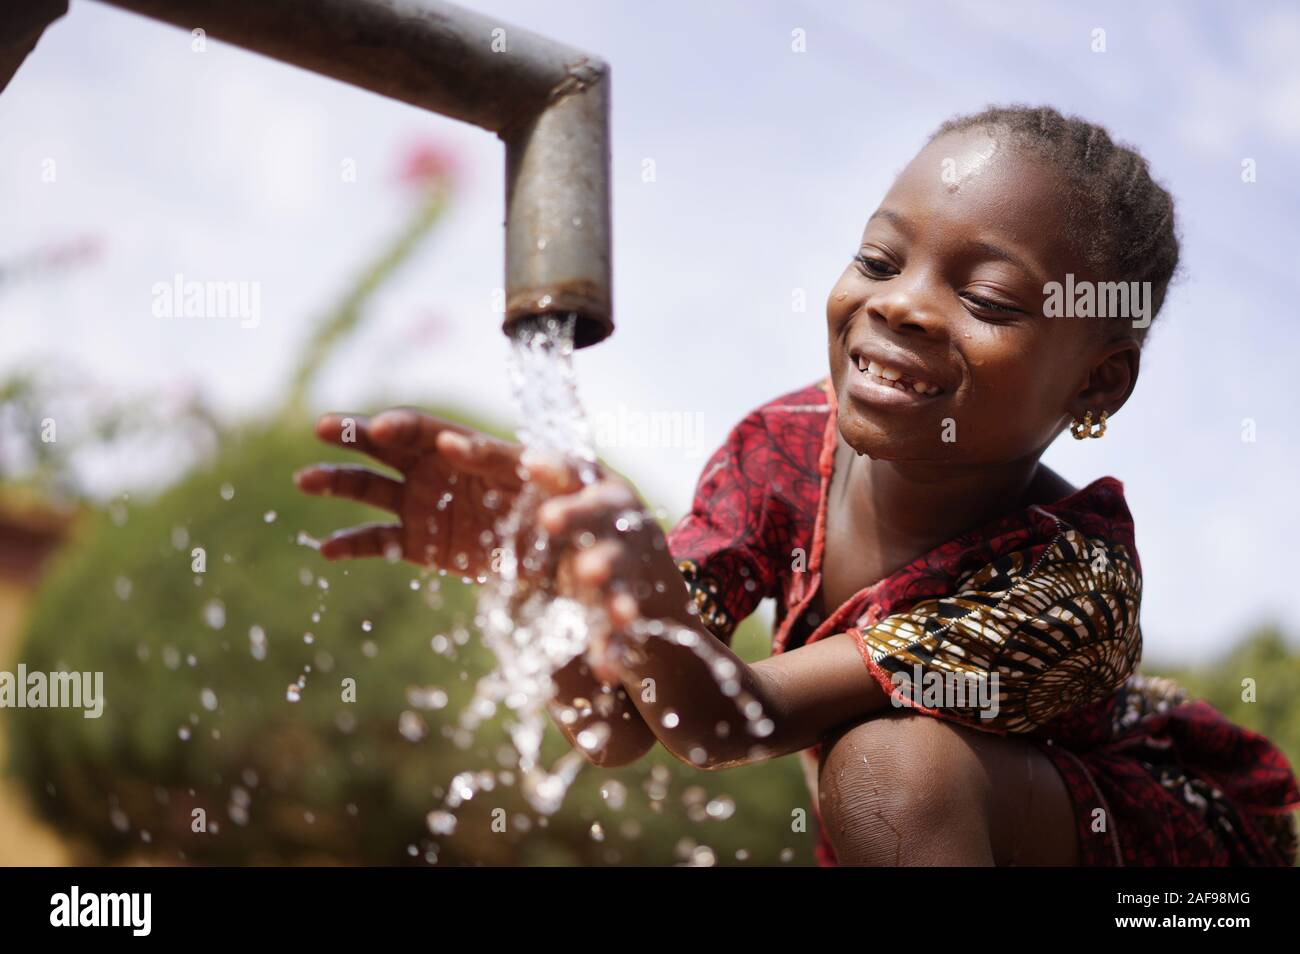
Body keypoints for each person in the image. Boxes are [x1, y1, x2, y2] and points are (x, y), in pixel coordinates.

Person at [296, 105, 1300, 866]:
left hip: (1179, 866)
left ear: (1096, 380)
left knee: (890, 765)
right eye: (877, 256)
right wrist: (543, 574)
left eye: (986, 296)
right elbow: (618, 723)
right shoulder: (780, 446)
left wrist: (635, 589)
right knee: (880, 770)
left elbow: (726, 721)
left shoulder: (1069, 574)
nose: (900, 304)